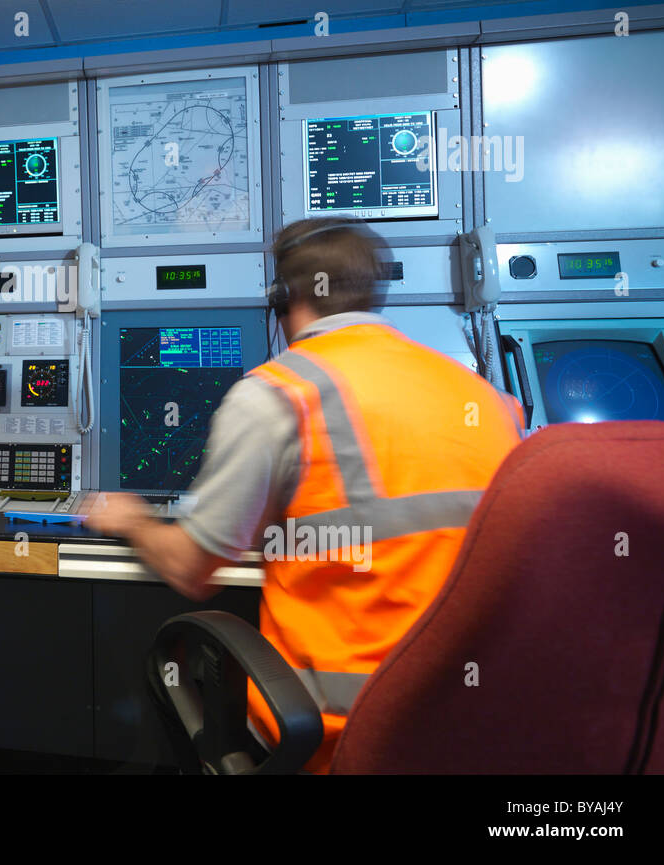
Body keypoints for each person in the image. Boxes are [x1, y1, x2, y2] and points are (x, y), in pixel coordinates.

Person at [86, 218, 524, 772]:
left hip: (346, 727)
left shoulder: (279, 395)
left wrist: (132, 521)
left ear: (281, 298)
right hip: (476, 717)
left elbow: (193, 569)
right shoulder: (483, 394)